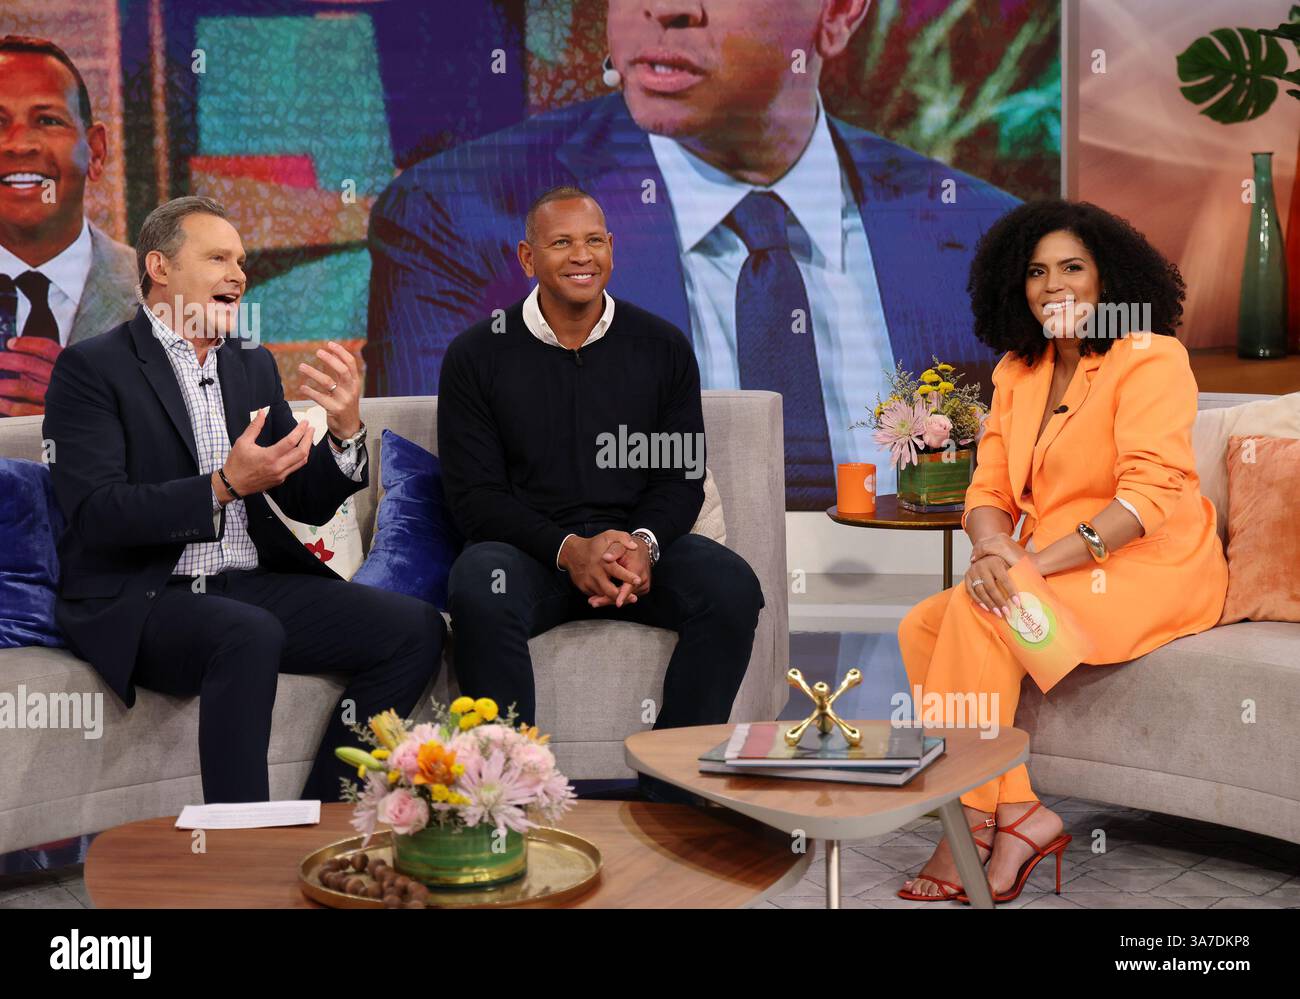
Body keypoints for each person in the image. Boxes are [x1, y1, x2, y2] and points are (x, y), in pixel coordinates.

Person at [366, 0, 1020, 509]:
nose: (667, 8)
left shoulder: (988, 237)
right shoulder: (461, 217)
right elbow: (437, 509)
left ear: (840, 12)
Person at [43, 196, 444, 804]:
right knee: (247, 633)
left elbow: (304, 500)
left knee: (414, 628)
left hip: (247, 583)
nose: (238, 275)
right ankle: (240, 842)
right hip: (147, 595)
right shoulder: (92, 369)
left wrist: (343, 434)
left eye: (241, 262)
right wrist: (222, 486)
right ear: (159, 267)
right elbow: (98, 514)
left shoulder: (250, 365)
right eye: (218, 259)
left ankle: (327, 813)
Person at [894, 200, 1228, 903]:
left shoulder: (1150, 357)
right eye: (1037, 272)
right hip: (1049, 562)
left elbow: (1147, 497)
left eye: (1072, 267)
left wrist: (1024, 567)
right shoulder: (1019, 370)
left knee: (983, 612)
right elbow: (988, 489)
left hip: (1148, 565)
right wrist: (992, 548)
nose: (1054, 286)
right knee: (921, 622)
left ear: (1109, 277)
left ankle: (969, 820)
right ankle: (1018, 809)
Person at [438, 186, 765, 801]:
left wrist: (642, 544)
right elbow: (476, 498)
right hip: (532, 554)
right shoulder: (477, 355)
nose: (581, 256)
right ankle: (506, 797)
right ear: (527, 258)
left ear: (612, 248)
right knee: (480, 583)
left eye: (594, 240)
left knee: (731, 586)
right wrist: (569, 549)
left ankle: (675, 791)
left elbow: (680, 478)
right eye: (561, 242)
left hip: (636, 551)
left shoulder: (662, 346)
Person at [0, 35, 137, 417]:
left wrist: (90, 423)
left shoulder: (174, 304)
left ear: (95, 152)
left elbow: (219, 444)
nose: (19, 145)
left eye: (47, 120)